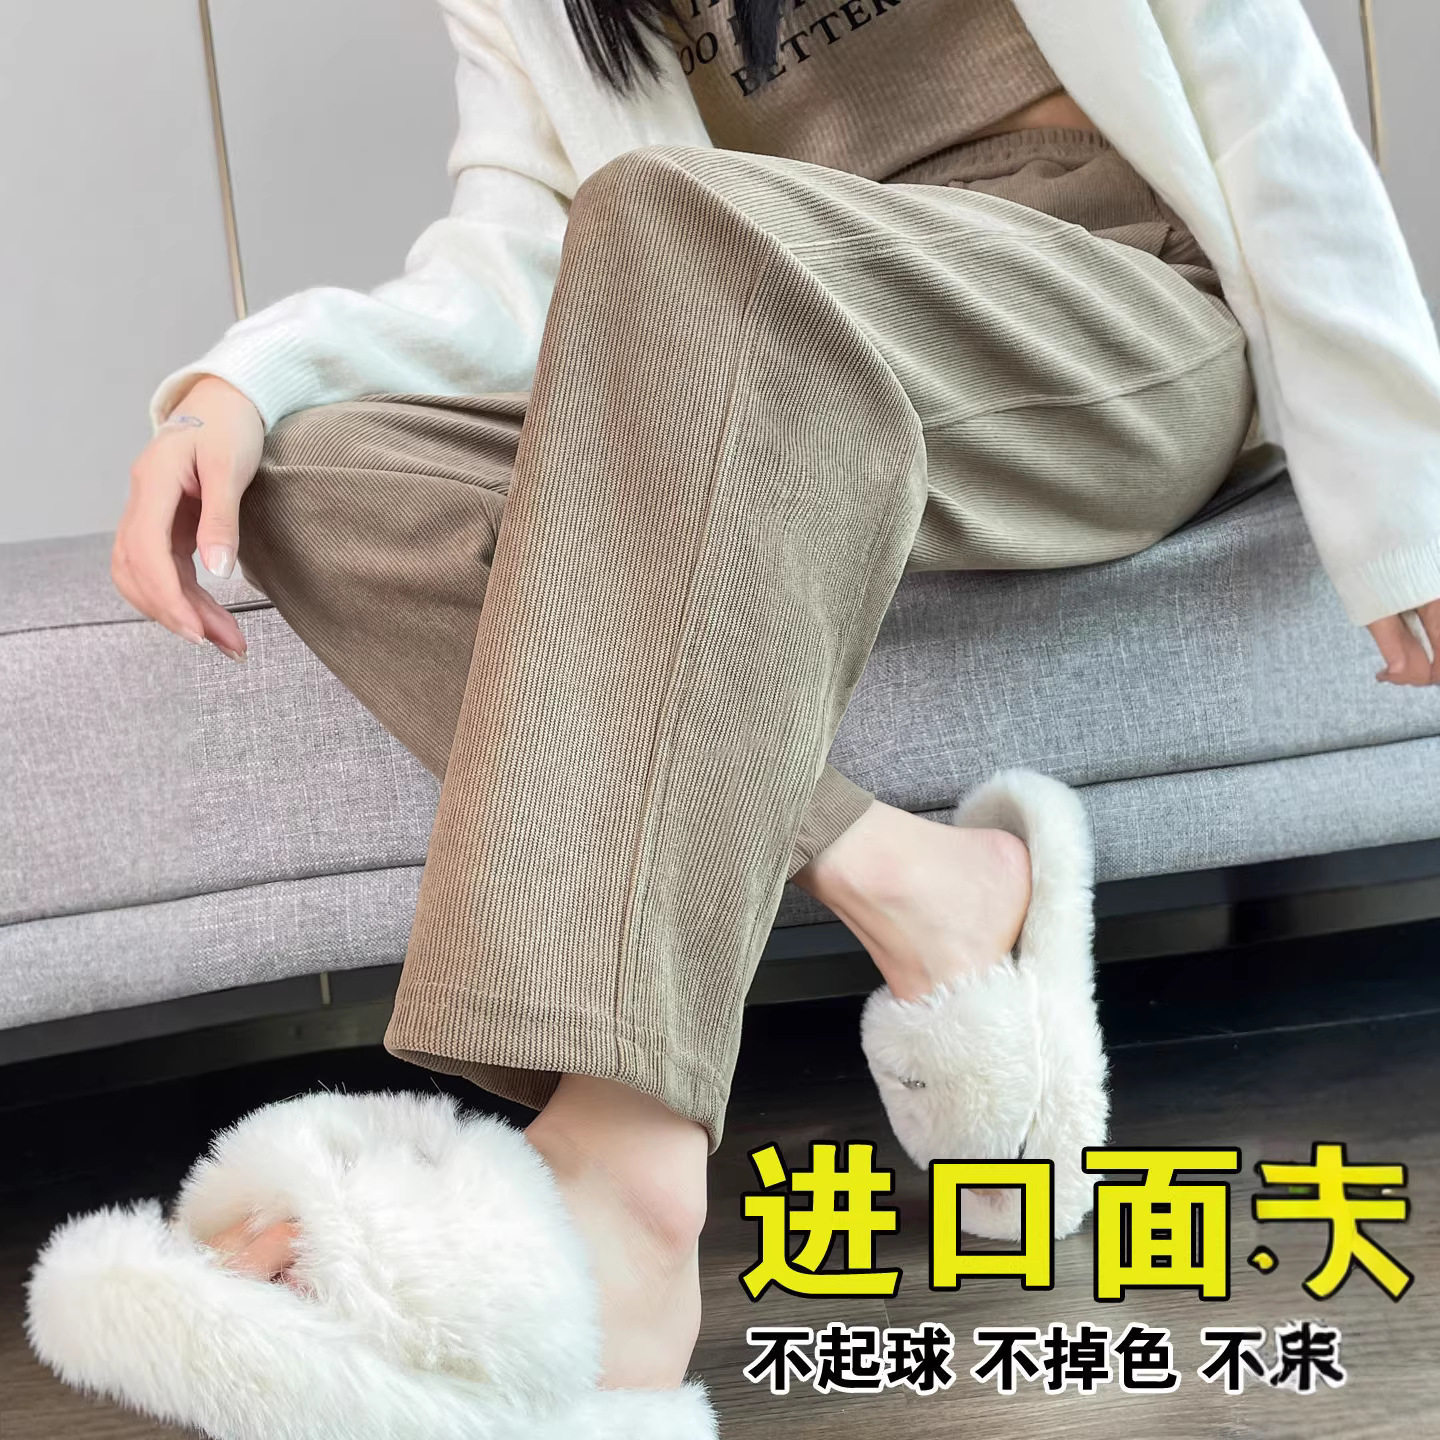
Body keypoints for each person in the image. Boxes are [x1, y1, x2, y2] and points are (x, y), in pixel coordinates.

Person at [108, 0, 1440, 1401]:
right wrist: (241, 387)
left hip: (1105, 323)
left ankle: (621, 1164)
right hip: (766, 359)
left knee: (667, 215)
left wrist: (1403, 489)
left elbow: (1260, 92)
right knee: (315, 476)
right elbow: (514, 250)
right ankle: (916, 879)